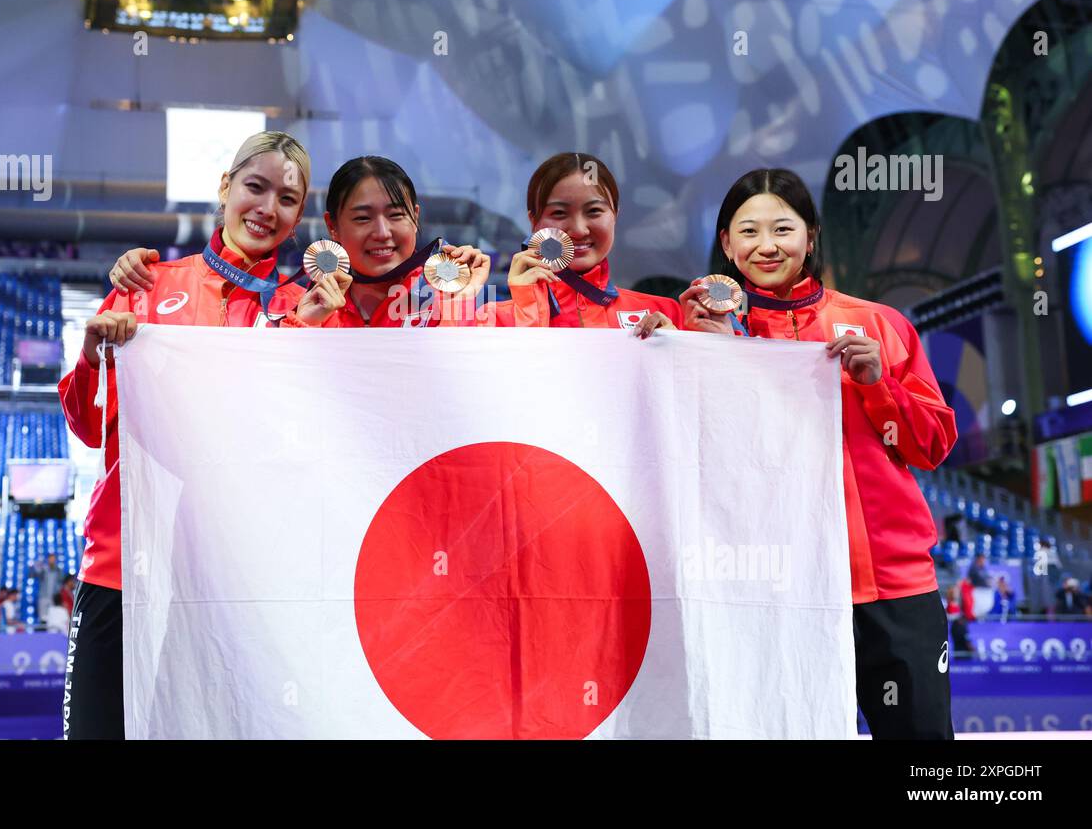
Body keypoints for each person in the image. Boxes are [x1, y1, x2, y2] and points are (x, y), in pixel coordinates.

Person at [665, 168, 958, 739]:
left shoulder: (880, 325)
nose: (766, 245)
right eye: (748, 231)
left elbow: (931, 446)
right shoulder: (702, 331)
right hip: (772, 588)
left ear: (811, 234)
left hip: (892, 588)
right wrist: (712, 358)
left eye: (782, 228)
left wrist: (878, 384)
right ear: (726, 243)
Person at [58, 130, 314, 739]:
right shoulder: (147, 285)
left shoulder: (304, 307)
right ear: (225, 189)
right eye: (255, 186)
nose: (267, 207)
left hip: (237, 575)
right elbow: (92, 430)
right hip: (124, 566)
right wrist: (94, 354)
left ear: (299, 216)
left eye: (286, 198)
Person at [464, 152, 684, 331]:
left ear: (615, 214)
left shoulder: (664, 315)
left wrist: (675, 352)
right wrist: (526, 309)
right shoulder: (491, 321)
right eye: (559, 213)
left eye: (594, 211)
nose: (579, 229)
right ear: (534, 221)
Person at [280, 156, 490, 328]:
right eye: (363, 218)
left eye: (396, 214)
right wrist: (304, 325)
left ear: (415, 217)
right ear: (332, 226)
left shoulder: (450, 296)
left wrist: (465, 298)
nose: (382, 233)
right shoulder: (312, 305)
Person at [31, 554, 62, 623]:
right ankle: (43, 633)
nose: (52, 560)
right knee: (43, 617)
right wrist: (36, 565)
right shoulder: (43, 570)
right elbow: (33, 575)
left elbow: (60, 583)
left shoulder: (58, 571)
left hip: (53, 597)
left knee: (53, 617)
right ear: (48, 560)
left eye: (53, 559)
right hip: (43, 597)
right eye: (50, 559)